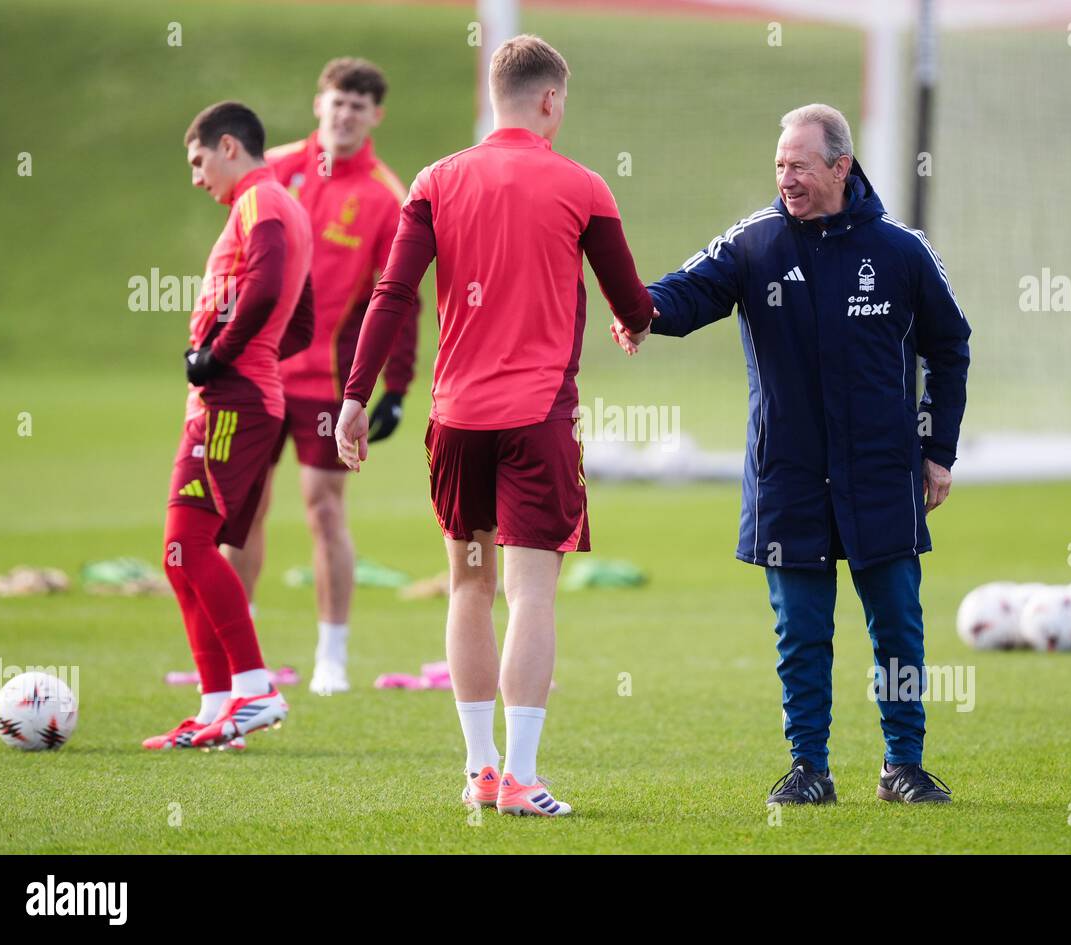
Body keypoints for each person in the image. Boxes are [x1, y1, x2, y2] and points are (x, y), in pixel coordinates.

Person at [335, 35, 655, 816]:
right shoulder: (581, 185)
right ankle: (521, 774)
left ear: (493, 91)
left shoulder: (437, 179)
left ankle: (479, 770)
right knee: (532, 594)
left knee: (468, 584)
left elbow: (393, 293)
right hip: (537, 419)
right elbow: (631, 297)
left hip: (457, 421)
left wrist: (354, 395)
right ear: (550, 100)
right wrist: (634, 322)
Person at [615, 104, 971, 804]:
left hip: (880, 475)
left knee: (897, 624)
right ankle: (809, 766)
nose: (787, 178)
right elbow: (684, 296)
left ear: (841, 166)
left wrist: (938, 449)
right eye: (780, 165)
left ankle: (904, 764)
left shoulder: (901, 251)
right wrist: (639, 310)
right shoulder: (755, 244)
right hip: (790, 478)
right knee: (801, 634)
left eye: (800, 165)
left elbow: (950, 346)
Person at [223, 58, 418, 696]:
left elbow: (401, 297)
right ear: (319, 104)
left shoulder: (386, 197)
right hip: (253, 374)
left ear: (375, 117)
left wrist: (395, 388)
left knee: (324, 510)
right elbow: (231, 264)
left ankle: (331, 657)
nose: (345, 115)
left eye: (359, 107)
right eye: (337, 102)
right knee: (241, 509)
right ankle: (238, 657)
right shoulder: (272, 172)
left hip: (326, 383)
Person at [145, 102, 314, 750]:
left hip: (232, 401)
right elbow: (300, 321)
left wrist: (223, 354)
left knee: (189, 546)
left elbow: (270, 287)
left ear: (227, 145)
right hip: (236, 398)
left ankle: (255, 686)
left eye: (197, 161)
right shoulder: (285, 206)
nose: (196, 177)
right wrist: (255, 353)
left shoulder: (259, 202)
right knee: (181, 553)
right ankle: (219, 703)